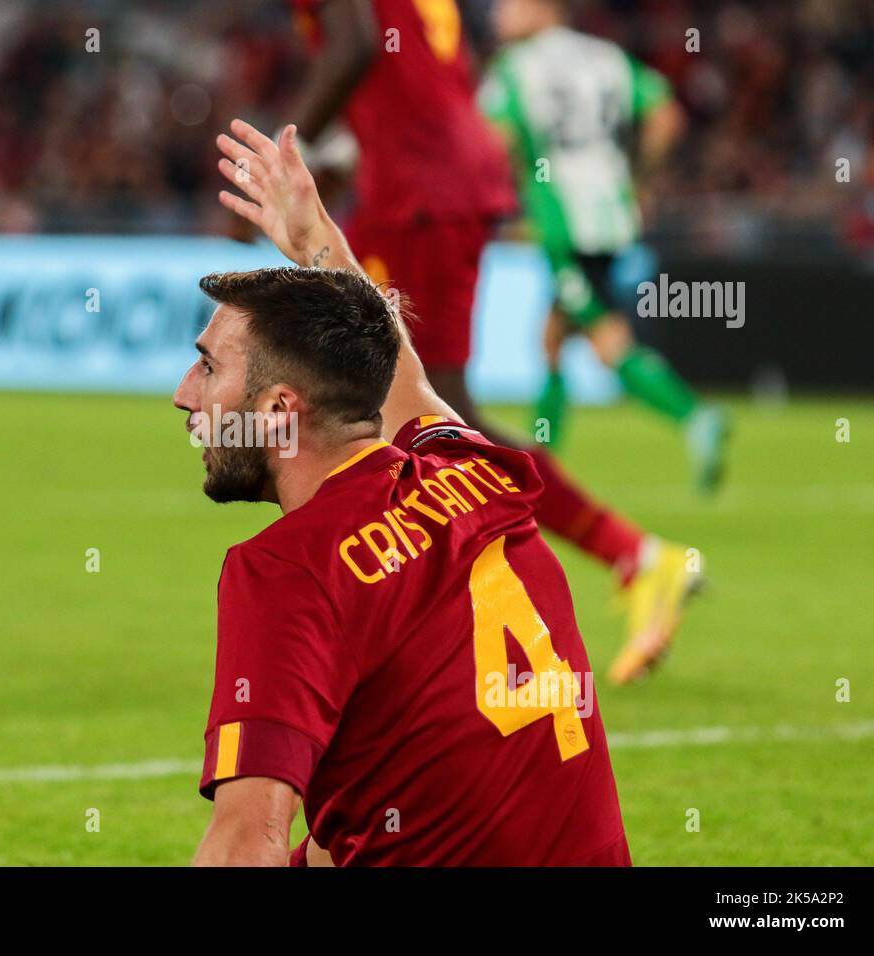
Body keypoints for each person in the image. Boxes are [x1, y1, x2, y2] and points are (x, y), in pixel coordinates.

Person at [183, 119, 629, 866]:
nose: (182, 396)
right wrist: (317, 240)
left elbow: (246, 840)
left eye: (206, 370)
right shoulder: (466, 468)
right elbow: (404, 378)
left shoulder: (287, 570)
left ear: (280, 412)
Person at [281, 0, 702, 684]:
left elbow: (356, 46)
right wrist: (338, 157)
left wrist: (281, 154)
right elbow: (413, 75)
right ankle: (607, 565)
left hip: (423, 196)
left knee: (417, 413)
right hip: (431, 186)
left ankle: (616, 563)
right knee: (412, 409)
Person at [481, 0, 730, 490]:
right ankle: (542, 462)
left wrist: (501, 197)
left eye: (508, 5)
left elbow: (494, 139)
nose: (497, 15)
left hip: (563, 223)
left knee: (606, 343)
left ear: (541, 10)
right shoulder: (607, 57)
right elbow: (667, 116)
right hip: (611, 215)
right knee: (552, 339)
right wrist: (637, 178)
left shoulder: (515, 68)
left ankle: (695, 416)